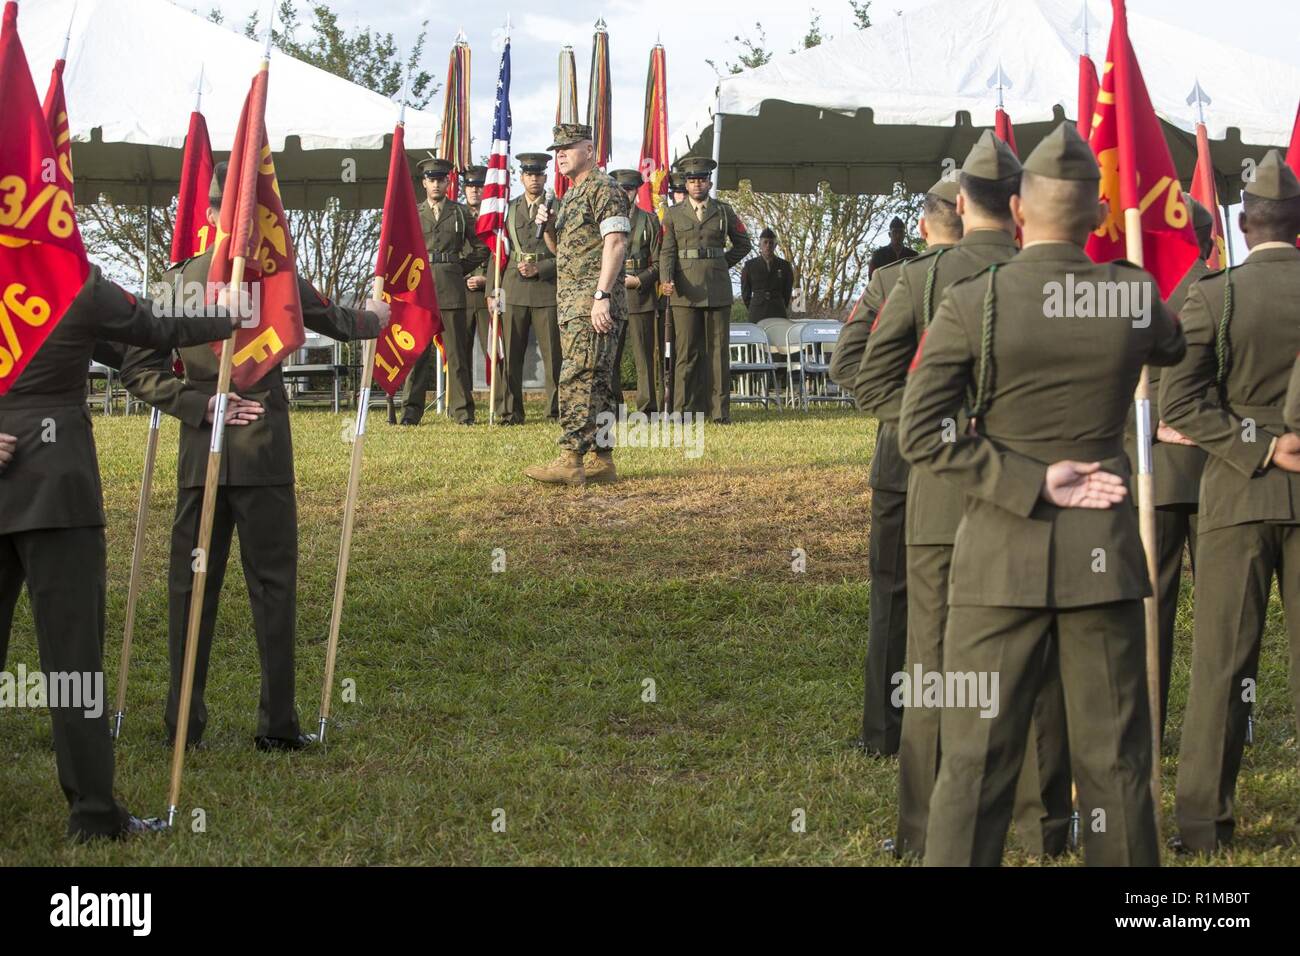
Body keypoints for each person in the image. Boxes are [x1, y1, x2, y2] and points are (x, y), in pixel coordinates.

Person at [899, 122, 1184, 866]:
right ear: (1097, 214)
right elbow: (1175, 343)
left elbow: (921, 433)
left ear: (1018, 211)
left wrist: (1026, 480)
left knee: (974, 764)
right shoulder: (1132, 296)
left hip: (999, 556)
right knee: (1117, 766)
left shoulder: (974, 301)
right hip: (1104, 556)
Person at [117, 162, 390, 751]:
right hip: (228, 455)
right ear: (215, 214)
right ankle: (223, 727)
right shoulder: (209, 281)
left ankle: (241, 726)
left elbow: (335, 320)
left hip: (235, 458)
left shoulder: (237, 278)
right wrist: (201, 404)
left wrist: (376, 318)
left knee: (234, 590)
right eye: (234, 212)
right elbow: (137, 369)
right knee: (229, 589)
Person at [860, 131, 1070, 860]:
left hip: (943, 498)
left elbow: (866, 376)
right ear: (1018, 205)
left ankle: (921, 830)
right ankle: (1048, 826)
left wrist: (938, 425)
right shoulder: (1054, 277)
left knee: (931, 669)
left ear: (959, 204)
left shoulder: (921, 278)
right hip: (1037, 499)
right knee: (1040, 665)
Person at [0, 266, 235, 840]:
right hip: (60, 491)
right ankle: (93, 816)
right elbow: (154, 323)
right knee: (73, 662)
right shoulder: (66, 274)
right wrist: (227, 308)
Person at [1160, 150, 1300, 855]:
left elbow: (1180, 400)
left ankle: (1202, 825)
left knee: (1221, 664)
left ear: (1245, 225)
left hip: (1237, 496)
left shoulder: (1212, 296)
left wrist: (1256, 444)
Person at [829, 178, 960, 761]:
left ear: (925, 226)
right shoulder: (1009, 275)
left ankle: (884, 731)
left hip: (903, 454)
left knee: (893, 592)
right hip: (988, 459)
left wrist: (911, 414)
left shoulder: (891, 280)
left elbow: (846, 363)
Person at [1123, 193, 1214, 735]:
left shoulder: (1136, 294)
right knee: (1222, 620)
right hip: (1222, 470)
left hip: (1154, 469)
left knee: (1151, 613)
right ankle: (1223, 727)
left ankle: (1148, 730)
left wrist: (1153, 422)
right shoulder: (1225, 290)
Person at [524, 124, 629, 485]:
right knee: (597, 381)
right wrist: (550, 226)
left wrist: (601, 297)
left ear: (589, 148)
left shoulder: (604, 188)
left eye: (567, 147)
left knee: (578, 377)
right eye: (557, 149)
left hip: (591, 303)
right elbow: (562, 252)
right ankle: (602, 459)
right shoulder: (571, 195)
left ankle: (570, 459)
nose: (560, 155)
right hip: (573, 302)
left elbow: (615, 243)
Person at [659, 156, 752, 422]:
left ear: (709, 182)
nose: (697, 184)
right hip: (684, 290)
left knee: (718, 354)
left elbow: (743, 244)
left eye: (701, 179)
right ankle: (681, 412)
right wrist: (667, 279)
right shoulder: (673, 214)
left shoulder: (724, 211)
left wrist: (721, 263)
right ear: (685, 184)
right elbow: (667, 252)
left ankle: (719, 413)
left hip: (716, 289)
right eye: (691, 180)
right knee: (685, 354)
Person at [400, 156, 488, 425]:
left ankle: (462, 412)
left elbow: (481, 247)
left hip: (451, 288)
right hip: (421, 290)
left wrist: (457, 267)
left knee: (457, 355)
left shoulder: (460, 212)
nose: (436, 184)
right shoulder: (413, 213)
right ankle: (410, 412)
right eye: (431, 180)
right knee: (417, 355)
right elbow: (401, 250)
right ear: (424, 183)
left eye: (440, 179)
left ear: (448, 182)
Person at [488, 153, 561, 423]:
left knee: (553, 355)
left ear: (545, 177)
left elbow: (567, 253)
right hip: (513, 286)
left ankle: (555, 411)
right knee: (510, 353)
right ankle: (510, 411)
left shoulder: (558, 208)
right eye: (529, 174)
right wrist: (491, 291)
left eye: (539, 174)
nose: (534, 178)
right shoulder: (507, 208)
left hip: (546, 287)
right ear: (521, 177)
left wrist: (540, 269)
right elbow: (496, 252)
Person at [610, 168, 662, 413]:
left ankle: (647, 408)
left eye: (629, 189)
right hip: (613, 295)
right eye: (621, 188)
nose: (625, 193)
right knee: (611, 357)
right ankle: (613, 407)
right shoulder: (605, 220)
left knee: (645, 358)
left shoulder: (649, 220)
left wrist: (640, 280)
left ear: (636, 191)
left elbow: (661, 262)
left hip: (641, 294)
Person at [461, 165, 507, 418]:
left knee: (494, 347)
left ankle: (498, 404)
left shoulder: (496, 217)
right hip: (461, 292)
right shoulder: (456, 215)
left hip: (489, 291)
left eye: (479, 187)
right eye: (470, 187)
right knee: (460, 352)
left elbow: (499, 253)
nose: (474, 191)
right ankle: (462, 407)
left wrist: (486, 279)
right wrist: (467, 276)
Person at [740, 228, 795, 320]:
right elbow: (745, 291)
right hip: (756, 311)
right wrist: (752, 306)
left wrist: (781, 304)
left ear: (775, 245)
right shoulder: (749, 266)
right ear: (760, 245)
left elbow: (787, 290)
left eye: (771, 243)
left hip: (778, 310)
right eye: (765, 242)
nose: (768, 245)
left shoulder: (785, 266)